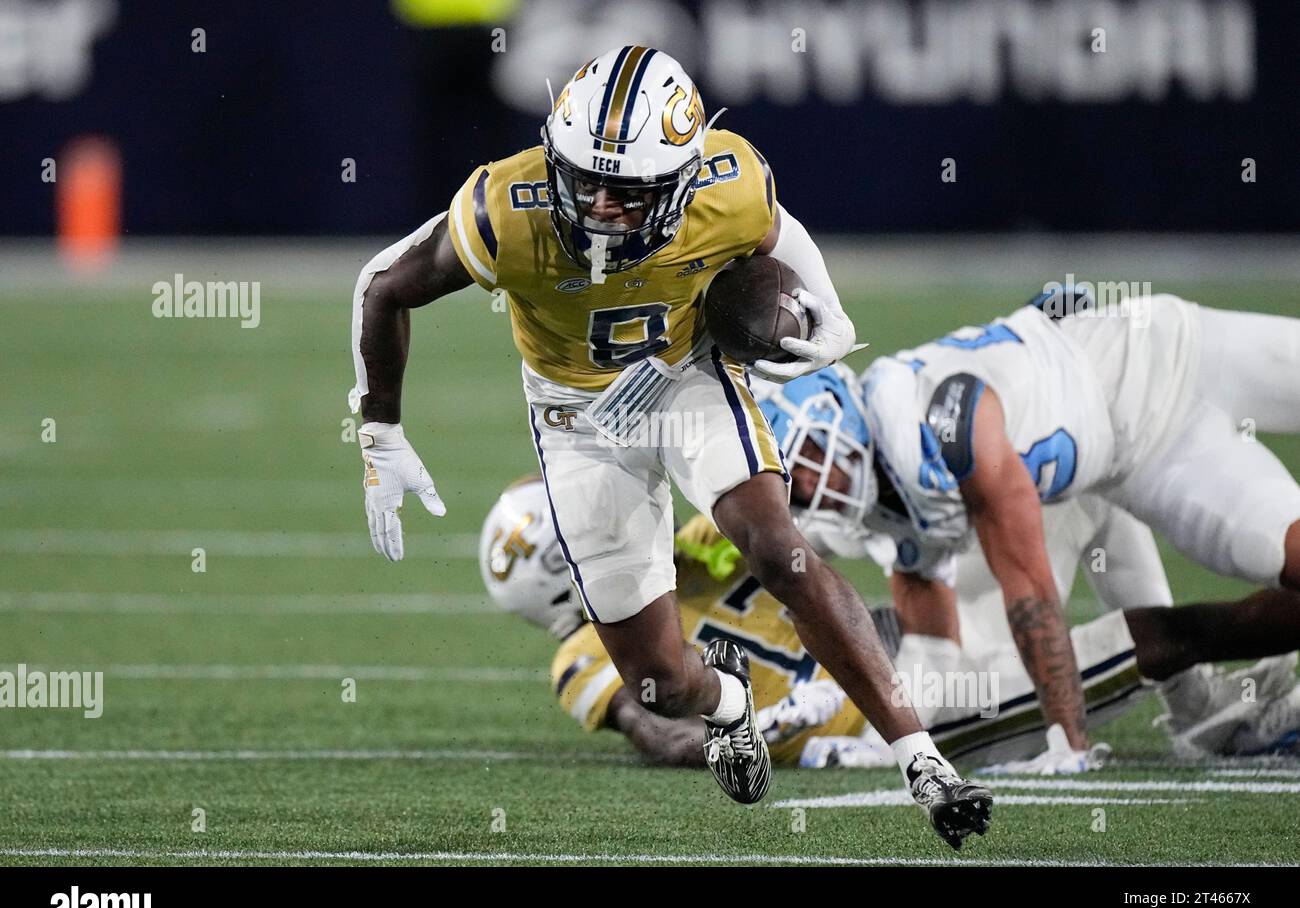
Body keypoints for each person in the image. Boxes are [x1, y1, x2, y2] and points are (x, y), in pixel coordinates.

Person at [347, 46, 990, 846]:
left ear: (683, 178)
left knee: (774, 546)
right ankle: (727, 699)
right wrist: (380, 428)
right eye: (585, 179)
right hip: (575, 419)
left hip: (682, 375)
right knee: (656, 684)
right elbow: (385, 286)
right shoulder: (505, 209)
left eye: (629, 189)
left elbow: (780, 239)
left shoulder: (730, 185)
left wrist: (825, 311)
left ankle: (922, 760)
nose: (602, 204)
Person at [751, 293, 1300, 767]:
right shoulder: (890, 509)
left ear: (834, 414)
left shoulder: (944, 420)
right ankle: (1221, 703)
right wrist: (886, 743)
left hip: (1166, 345)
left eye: (805, 456)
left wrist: (1068, 739)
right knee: (1287, 557)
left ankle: (1208, 705)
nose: (806, 485)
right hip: (1148, 459)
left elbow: (1029, 589)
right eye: (791, 485)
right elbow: (935, 651)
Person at [479, 477, 1300, 773]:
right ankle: (1222, 693)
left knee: (1088, 485)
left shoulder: (683, 555)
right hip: (914, 711)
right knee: (1160, 635)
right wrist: (756, 730)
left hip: (918, 639)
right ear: (569, 572)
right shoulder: (587, 654)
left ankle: (1206, 718)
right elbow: (658, 737)